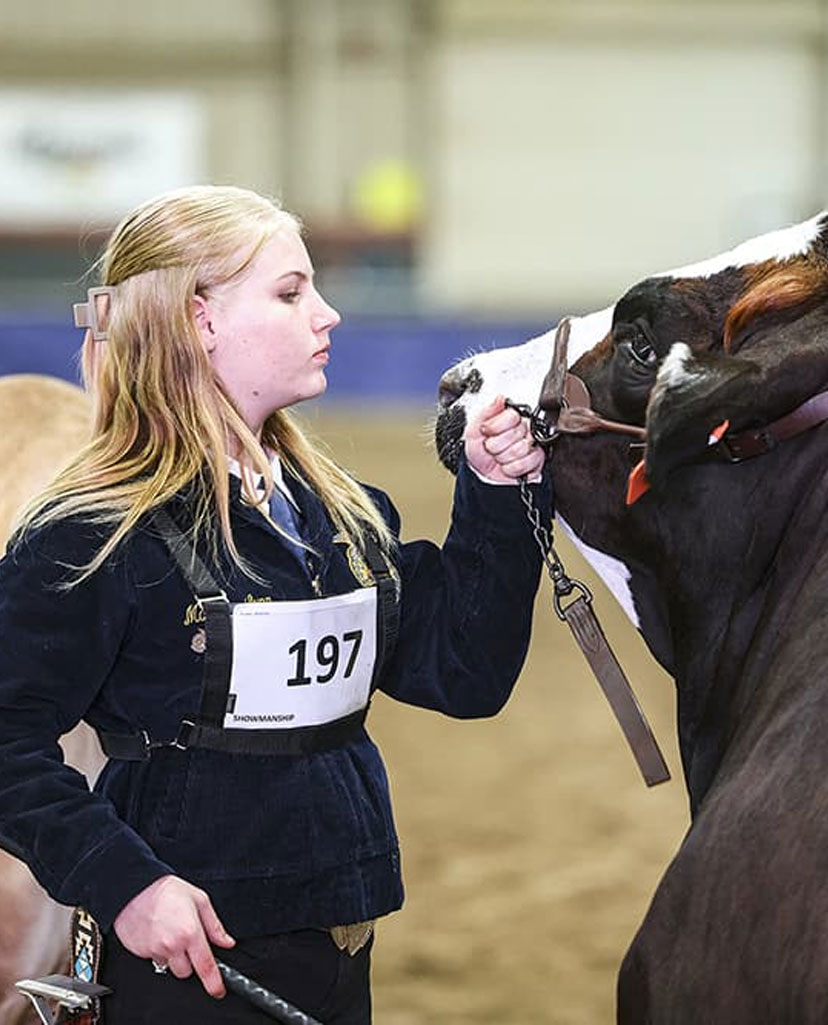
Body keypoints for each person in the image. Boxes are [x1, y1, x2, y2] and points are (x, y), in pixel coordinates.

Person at [0, 185, 549, 1024]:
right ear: (199, 320)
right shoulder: (93, 534)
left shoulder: (338, 514)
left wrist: (495, 492)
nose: (327, 314)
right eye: (291, 293)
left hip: (340, 939)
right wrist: (125, 883)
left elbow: (463, 671)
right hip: (182, 960)